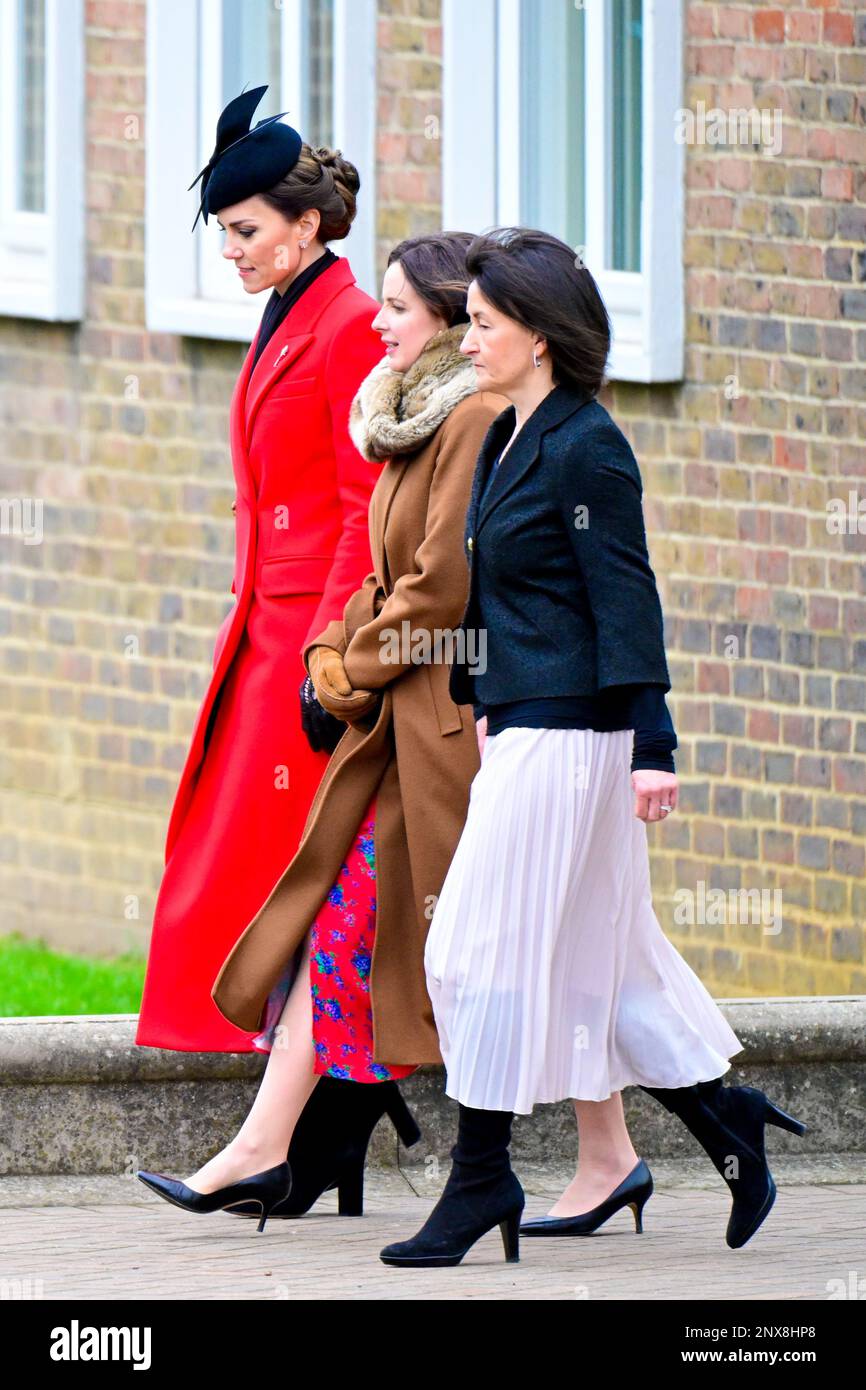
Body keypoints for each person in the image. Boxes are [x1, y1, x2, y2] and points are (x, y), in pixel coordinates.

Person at [379, 227, 805, 1270]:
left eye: (481, 325)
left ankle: (480, 1180)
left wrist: (652, 743)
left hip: (581, 739)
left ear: (537, 334)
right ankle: (724, 1118)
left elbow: (626, 600)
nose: (466, 339)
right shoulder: (510, 435)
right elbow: (498, 588)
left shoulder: (587, 445)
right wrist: (481, 694)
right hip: (526, 727)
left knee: (468, 954)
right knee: (598, 967)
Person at [137, 234, 511, 1230]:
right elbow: (379, 569)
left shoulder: (465, 419)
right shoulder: (406, 418)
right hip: (387, 716)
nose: (376, 322)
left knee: (552, 957)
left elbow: (434, 593)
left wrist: (339, 667)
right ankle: (287, 1144)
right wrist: (328, 656)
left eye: (395, 307)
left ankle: (663, 1130)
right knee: (342, 923)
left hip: (435, 727)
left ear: (437, 316)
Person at [134, 85, 385, 1070]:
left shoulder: (350, 324)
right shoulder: (287, 311)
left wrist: (326, 658)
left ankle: (307, 1079)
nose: (230, 249)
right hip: (260, 625)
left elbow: (362, 510)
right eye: (225, 232)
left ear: (305, 224)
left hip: (302, 645)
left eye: (244, 230)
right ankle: (300, 1079)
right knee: (221, 851)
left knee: (268, 857)